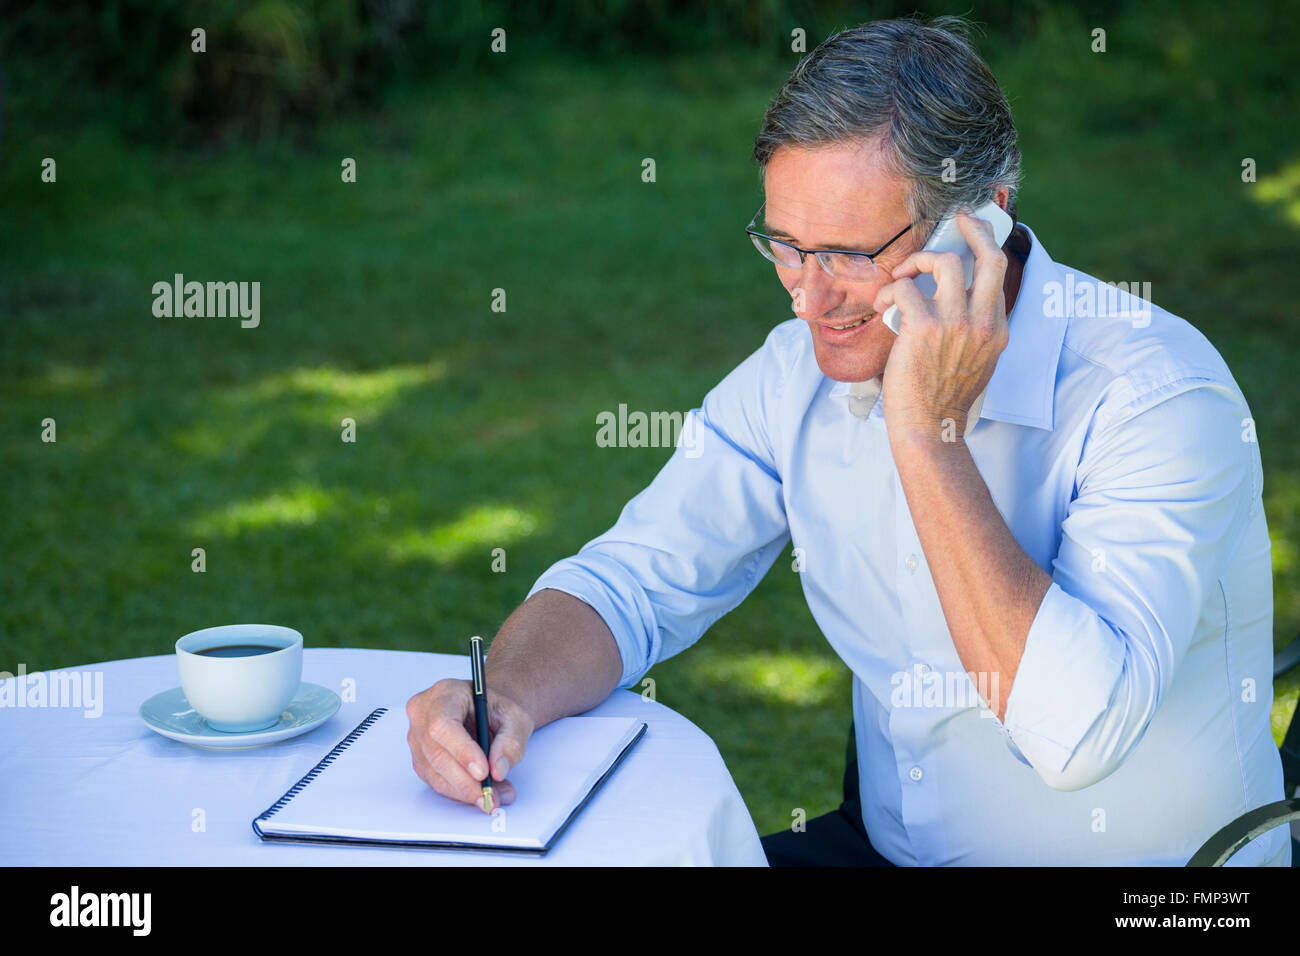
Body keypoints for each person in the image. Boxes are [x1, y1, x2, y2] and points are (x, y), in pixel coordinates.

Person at [405, 15, 1289, 865]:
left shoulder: (1156, 396)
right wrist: (509, 693)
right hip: (886, 850)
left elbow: (1076, 735)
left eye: (848, 254)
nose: (805, 297)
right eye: (785, 245)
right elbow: (636, 578)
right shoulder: (797, 371)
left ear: (981, 220)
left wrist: (929, 437)